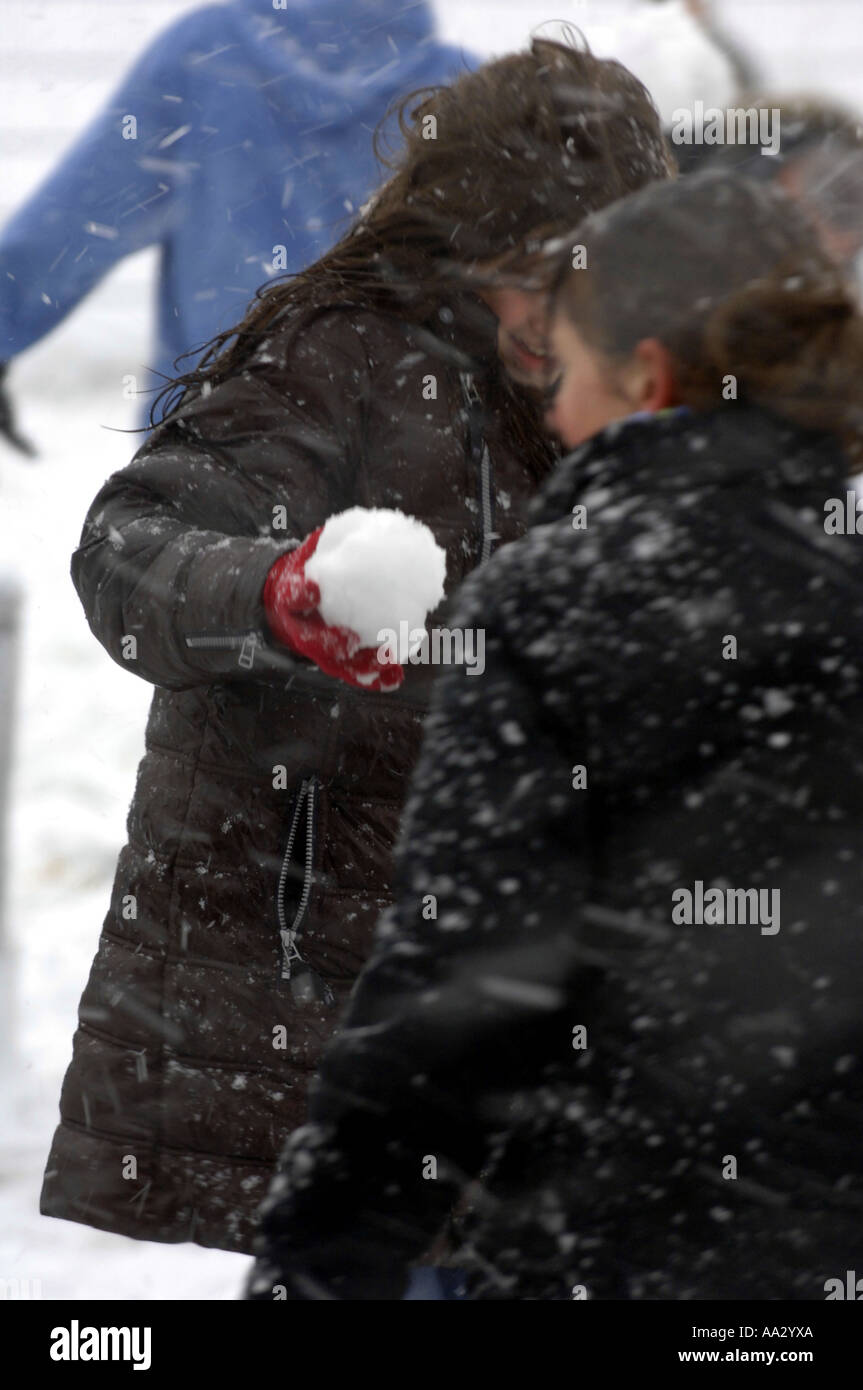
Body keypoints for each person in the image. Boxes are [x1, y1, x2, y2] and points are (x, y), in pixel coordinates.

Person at [39, 38, 673, 1276]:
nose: (554, 320)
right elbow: (125, 550)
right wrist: (273, 595)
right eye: (525, 277)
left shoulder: (632, 394)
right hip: (324, 987)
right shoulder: (345, 354)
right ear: (463, 244)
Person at [245, 169, 863, 1301]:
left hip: (625, 1248)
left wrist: (319, 1259)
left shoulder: (560, 604)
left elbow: (462, 986)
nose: (553, 412)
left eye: (566, 370)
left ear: (648, 375)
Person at [0, 0, 475, 447]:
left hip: (210, 444)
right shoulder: (459, 88)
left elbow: (78, 214)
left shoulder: (206, 57)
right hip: (396, 450)